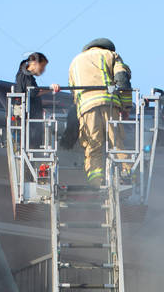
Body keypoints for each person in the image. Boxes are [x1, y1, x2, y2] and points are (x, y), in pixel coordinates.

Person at [67, 38, 133, 186]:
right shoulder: (111, 55)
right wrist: (126, 107)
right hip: (110, 105)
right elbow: (122, 81)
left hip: (86, 108)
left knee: (93, 144)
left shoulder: (75, 62)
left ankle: (96, 181)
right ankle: (127, 173)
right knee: (115, 142)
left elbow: (72, 90)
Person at [13, 53, 60, 149]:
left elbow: (31, 98)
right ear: (34, 63)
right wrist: (51, 88)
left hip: (31, 126)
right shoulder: (25, 76)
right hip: (29, 127)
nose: (43, 70)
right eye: (42, 66)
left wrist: (51, 103)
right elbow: (33, 92)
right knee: (30, 148)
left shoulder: (25, 76)